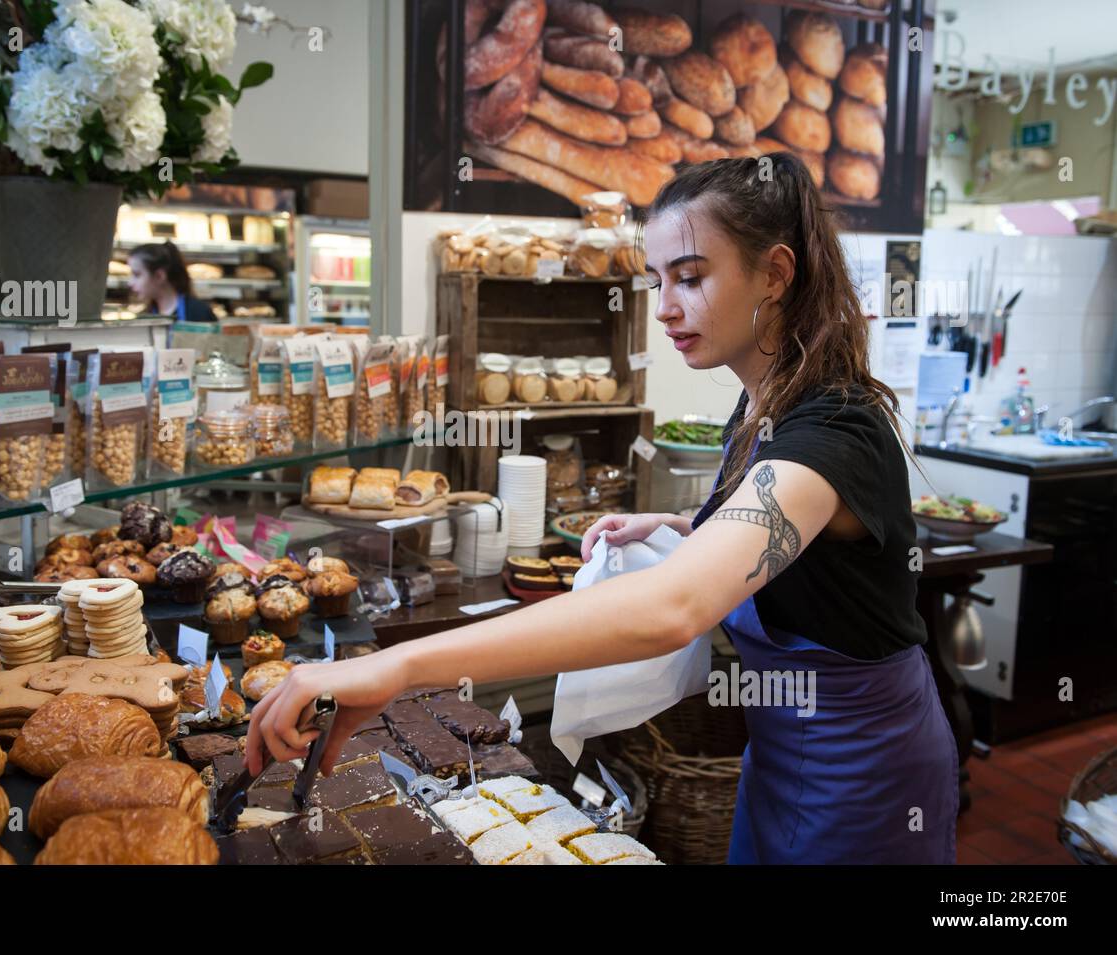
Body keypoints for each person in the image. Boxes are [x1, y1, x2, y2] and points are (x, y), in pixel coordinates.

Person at [245, 155, 959, 864]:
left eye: (691, 276)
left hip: (865, 774)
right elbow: (789, 541)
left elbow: (672, 608)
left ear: (774, 273)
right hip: (781, 757)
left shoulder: (833, 431)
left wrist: (400, 666)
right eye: (657, 281)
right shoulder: (765, 404)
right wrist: (683, 527)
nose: (667, 305)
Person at [127, 240, 216, 322]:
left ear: (159, 276)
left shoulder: (199, 313)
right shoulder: (144, 316)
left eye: (137, 275)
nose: (130, 283)